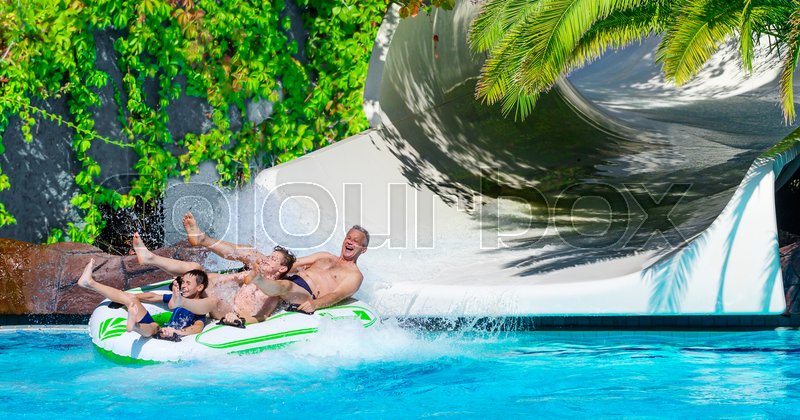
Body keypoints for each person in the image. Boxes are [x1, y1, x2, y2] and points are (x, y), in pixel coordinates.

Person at [183, 212, 368, 314]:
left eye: (356, 241)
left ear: (363, 249)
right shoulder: (325, 256)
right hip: (290, 278)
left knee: (286, 285)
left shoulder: (354, 276)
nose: (350, 242)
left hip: (305, 294)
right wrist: (264, 262)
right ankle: (203, 239)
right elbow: (293, 264)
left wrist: (316, 304)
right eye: (348, 237)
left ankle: (258, 280)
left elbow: (337, 295)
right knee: (251, 253)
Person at [132, 232, 295, 325]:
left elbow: (263, 316)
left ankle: (181, 300)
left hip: (233, 313)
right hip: (227, 302)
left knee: (215, 300)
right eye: (269, 256)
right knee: (195, 269)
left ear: (281, 269)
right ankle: (149, 257)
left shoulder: (274, 290)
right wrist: (195, 279)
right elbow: (221, 279)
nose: (267, 259)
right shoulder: (250, 274)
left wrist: (239, 319)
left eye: (273, 259)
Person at [77, 258, 207, 340]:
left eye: (188, 284)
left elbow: (198, 327)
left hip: (170, 335)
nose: (183, 286)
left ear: (200, 287)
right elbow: (153, 296)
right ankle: (89, 283)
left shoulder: (199, 306)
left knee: (154, 327)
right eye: (182, 282)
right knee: (130, 299)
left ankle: (135, 326)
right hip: (164, 330)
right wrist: (129, 298)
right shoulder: (178, 298)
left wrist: (177, 332)